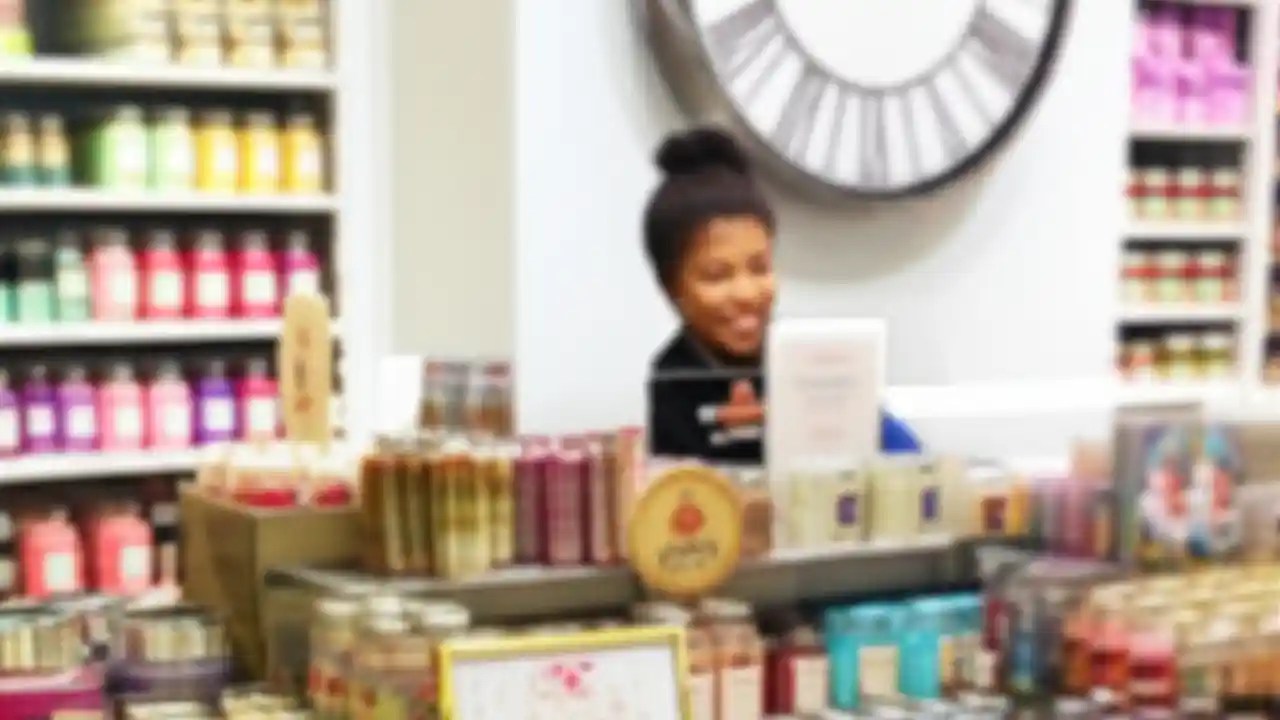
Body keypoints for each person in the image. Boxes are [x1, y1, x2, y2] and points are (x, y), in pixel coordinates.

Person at [642, 126, 920, 461]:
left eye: (759, 268)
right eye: (717, 276)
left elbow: (901, 451)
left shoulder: (799, 358)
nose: (746, 292)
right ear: (672, 287)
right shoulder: (673, 377)